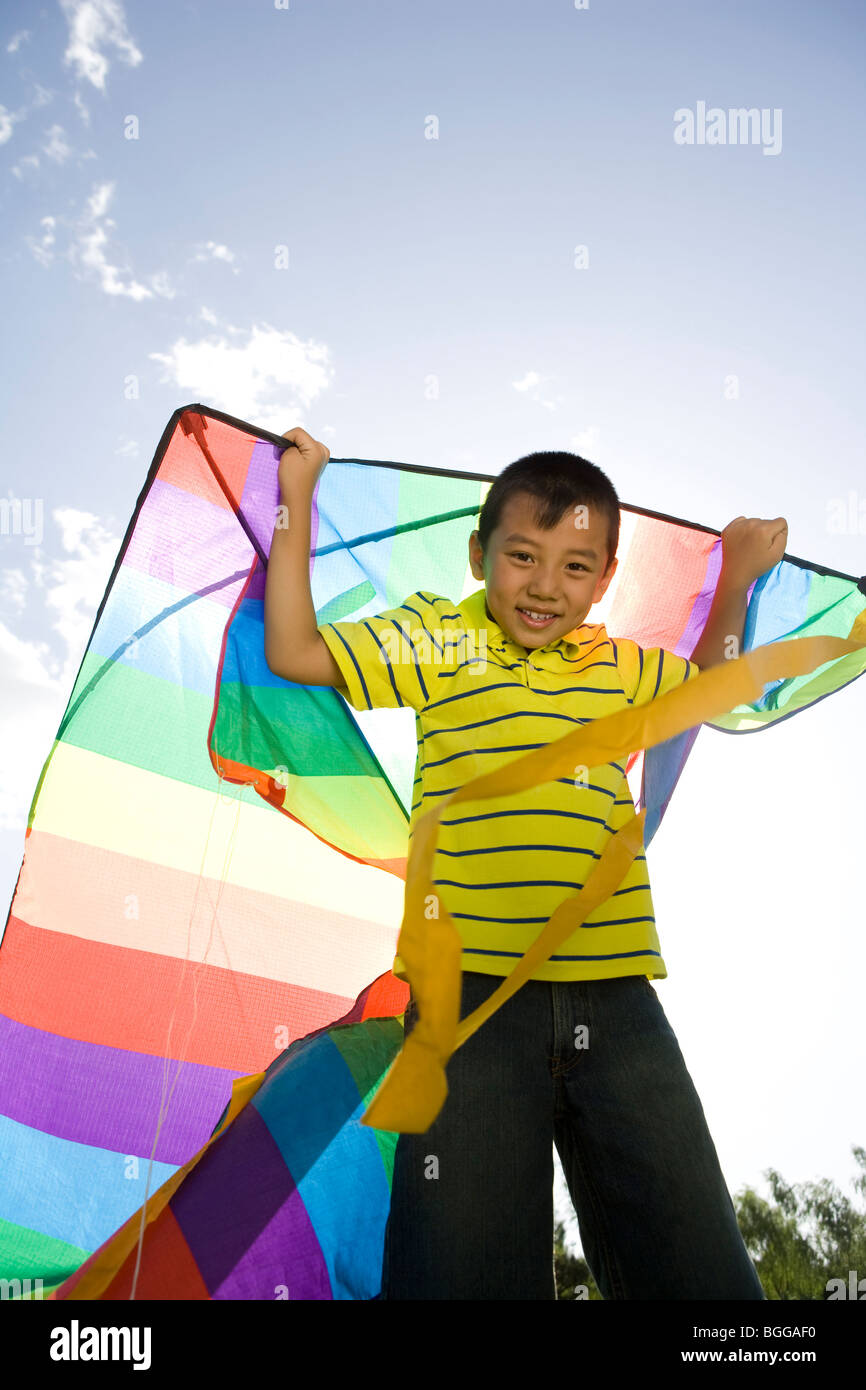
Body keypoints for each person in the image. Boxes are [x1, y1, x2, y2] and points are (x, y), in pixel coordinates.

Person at [264, 425, 787, 1301]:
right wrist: (296, 499)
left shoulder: (620, 670)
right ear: (479, 555)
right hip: (468, 1006)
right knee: (461, 1268)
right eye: (521, 555)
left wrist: (737, 575)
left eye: (576, 565)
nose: (545, 585)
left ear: (606, 579)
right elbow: (296, 652)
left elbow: (718, 686)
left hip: (617, 999)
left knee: (700, 1272)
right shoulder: (441, 637)